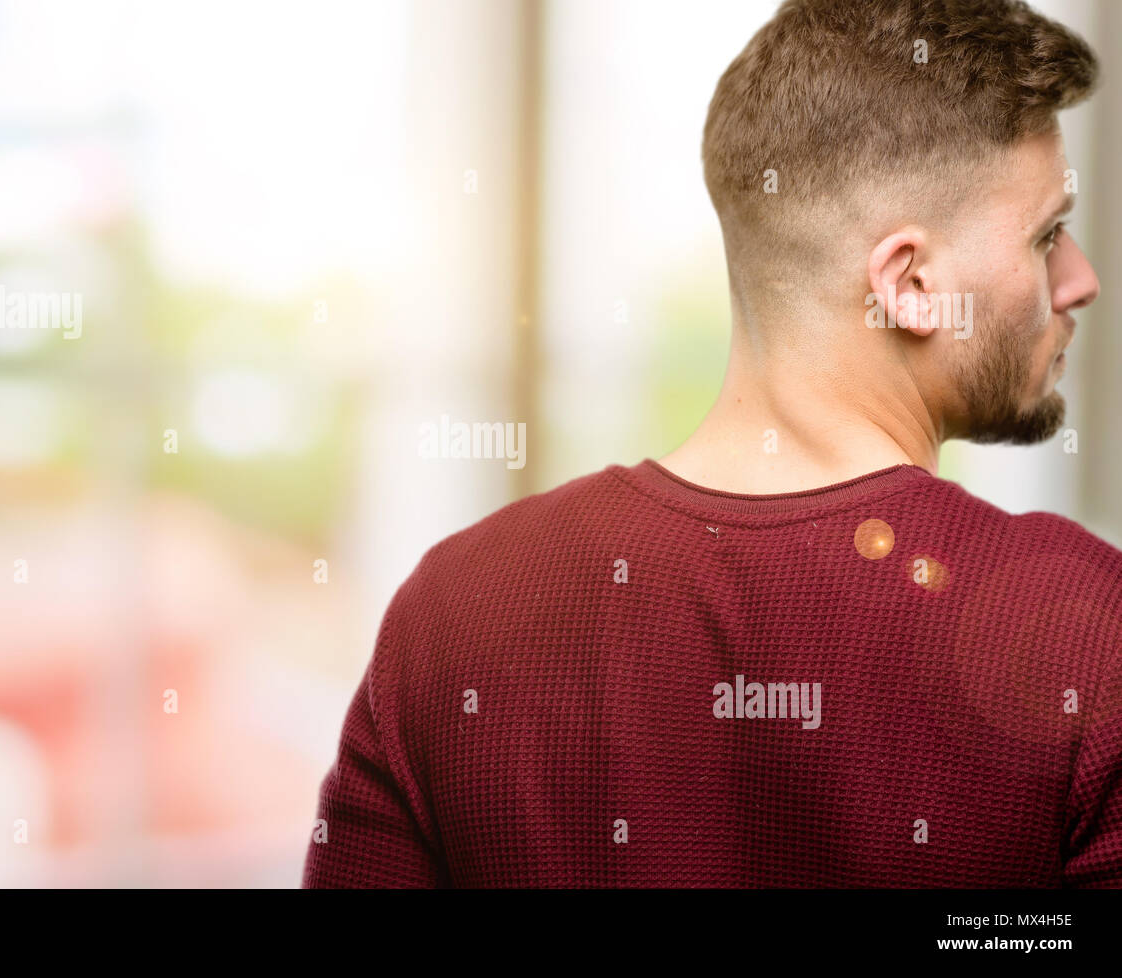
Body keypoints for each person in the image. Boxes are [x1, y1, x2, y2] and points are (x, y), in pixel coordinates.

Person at [303, 0, 1120, 887]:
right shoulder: (1091, 634)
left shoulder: (453, 609)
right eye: (1045, 236)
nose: (1079, 280)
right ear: (912, 283)